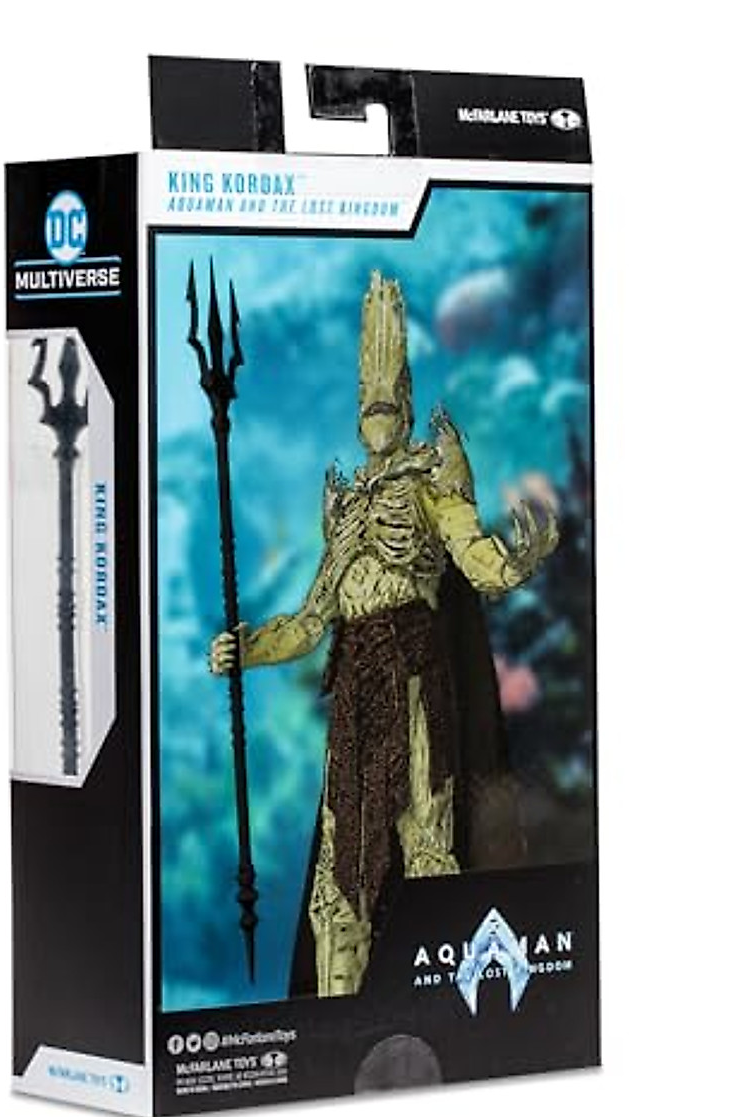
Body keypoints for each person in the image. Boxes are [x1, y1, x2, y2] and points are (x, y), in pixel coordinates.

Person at [209, 270, 557, 996]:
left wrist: (517, 559)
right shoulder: (343, 506)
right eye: (367, 392)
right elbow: (311, 621)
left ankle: (440, 1001)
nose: (377, 403)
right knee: (341, 873)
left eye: (388, 388)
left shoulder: (433, 479)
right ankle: (336, 1014)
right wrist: (248, 648)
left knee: (427, 846)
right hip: (356, 699)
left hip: (415, 681)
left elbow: (476, 560)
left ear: (405, 396)